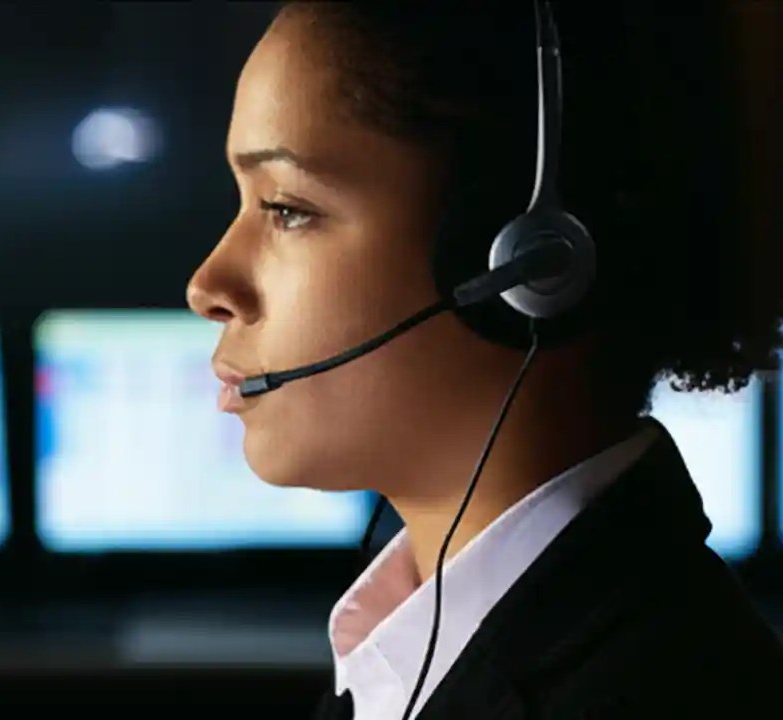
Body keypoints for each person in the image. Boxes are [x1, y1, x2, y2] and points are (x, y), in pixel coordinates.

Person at [184, 1, 783, 718]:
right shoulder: (413, 655)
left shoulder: (661, 693)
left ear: (532, 260)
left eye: (287, 209)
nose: (208, 285)